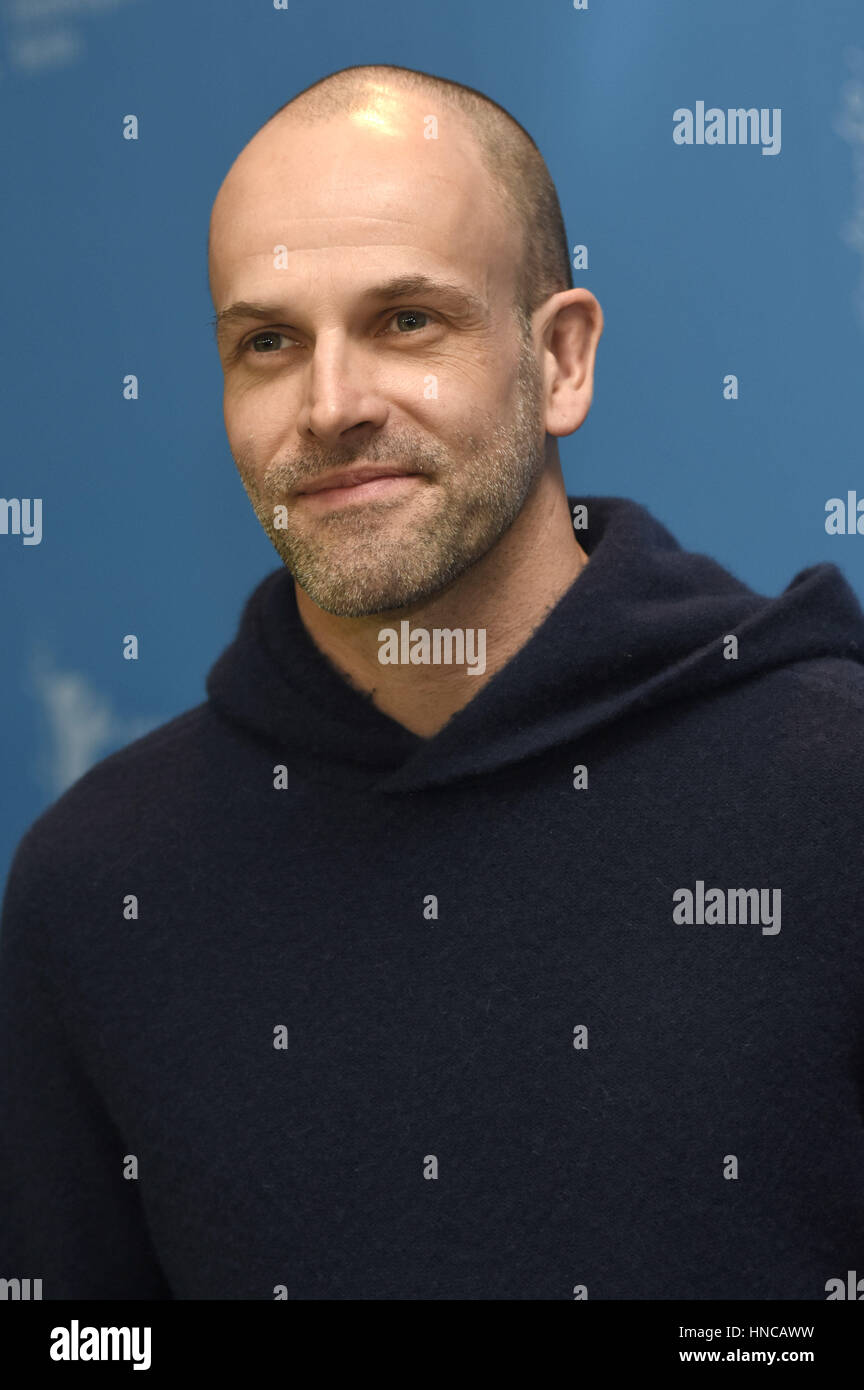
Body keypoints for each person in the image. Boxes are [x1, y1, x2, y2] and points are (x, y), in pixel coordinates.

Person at [2, 62, 864, 1301]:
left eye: (408, 320)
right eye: (268, 343)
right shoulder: (94, 888)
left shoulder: (831, 794)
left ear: (560, 359)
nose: (333, 405)